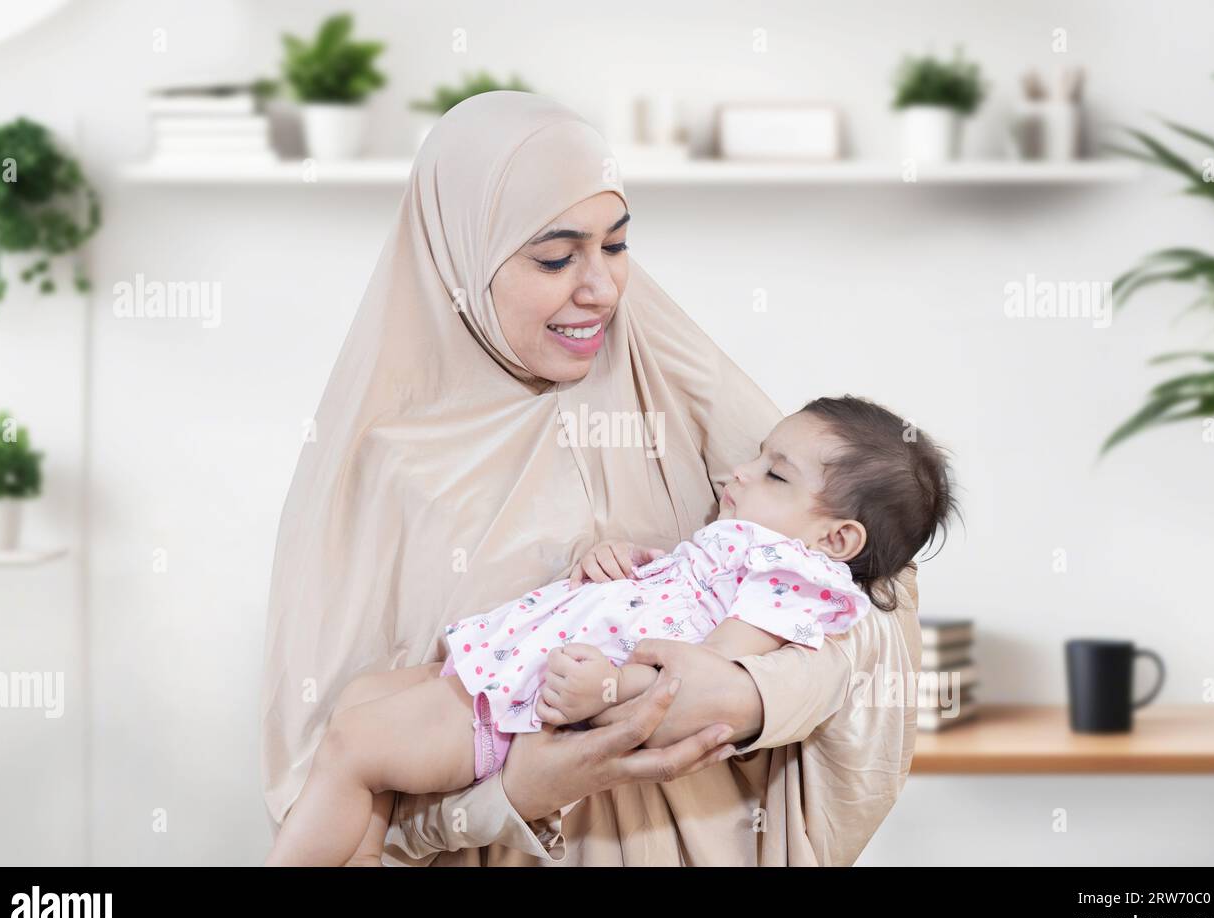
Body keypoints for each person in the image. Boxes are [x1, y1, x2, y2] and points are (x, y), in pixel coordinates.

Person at [260, 91, 930, 866]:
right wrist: (517, 792)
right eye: (554, 256)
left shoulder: (673, 376)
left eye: (616, 246)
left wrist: (746, 696)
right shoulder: (386, 464)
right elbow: (331, 781)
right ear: (461, 255)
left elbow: (873, 590)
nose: (603, 289)